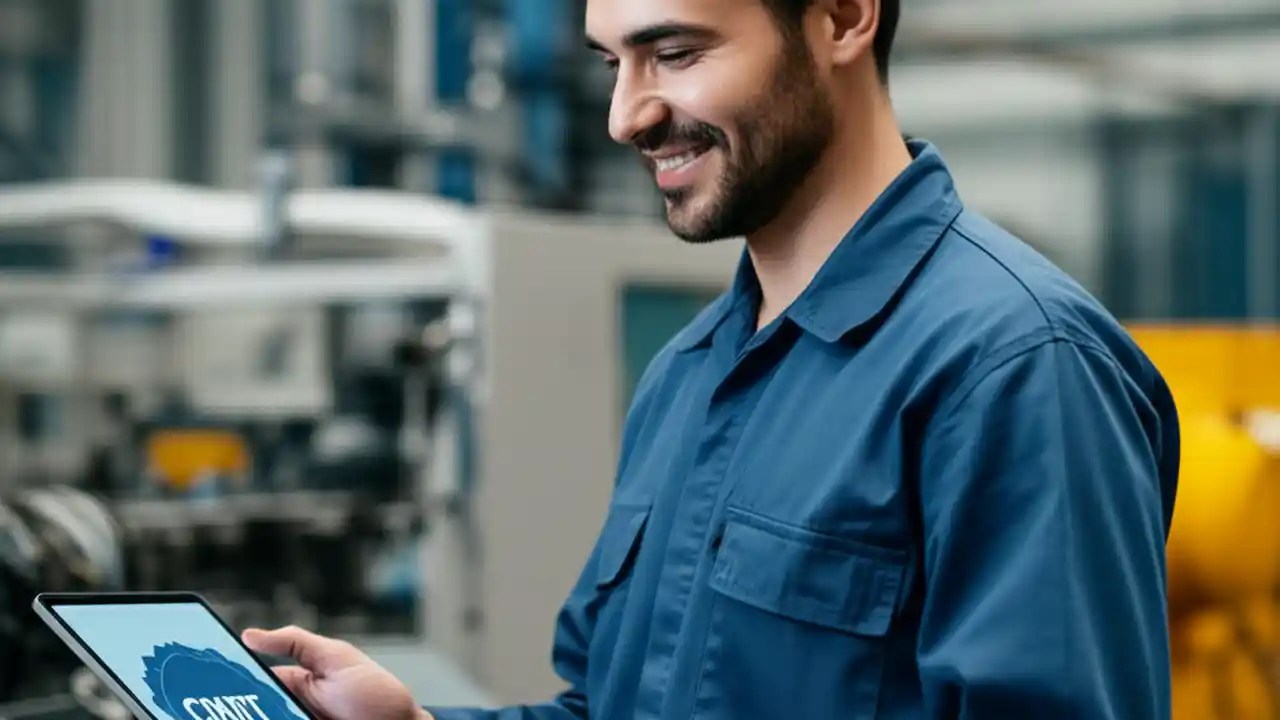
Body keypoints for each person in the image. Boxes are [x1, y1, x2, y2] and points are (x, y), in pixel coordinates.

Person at [244, 0, 1181, 717]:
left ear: (844, 18)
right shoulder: (689, 374)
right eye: (613, 63)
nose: (625, 116)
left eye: (676, 54)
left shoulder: (1015, 367)